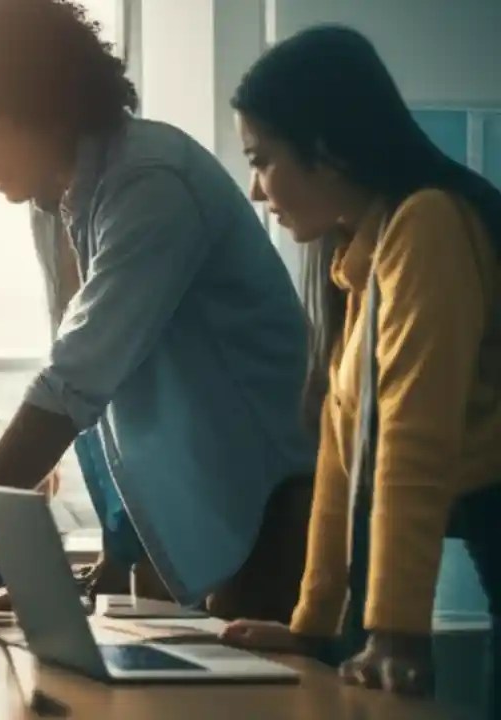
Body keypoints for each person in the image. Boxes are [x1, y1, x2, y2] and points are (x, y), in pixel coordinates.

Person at [0, 0, 316, 623]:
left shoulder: (152, 182)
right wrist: (116, 554)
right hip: (194, 518)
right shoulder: (53, 204)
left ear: (46, 107)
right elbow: (94, 402)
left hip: (269, 506)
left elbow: (74, 383)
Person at [219, 26, 501, 699]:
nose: (258, 191)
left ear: (327, 148)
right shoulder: (362, 258)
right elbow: (346, 460)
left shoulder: (426, 224)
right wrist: (311, 628)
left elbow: (413, 441)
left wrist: (397, 635)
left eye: (262, 160)